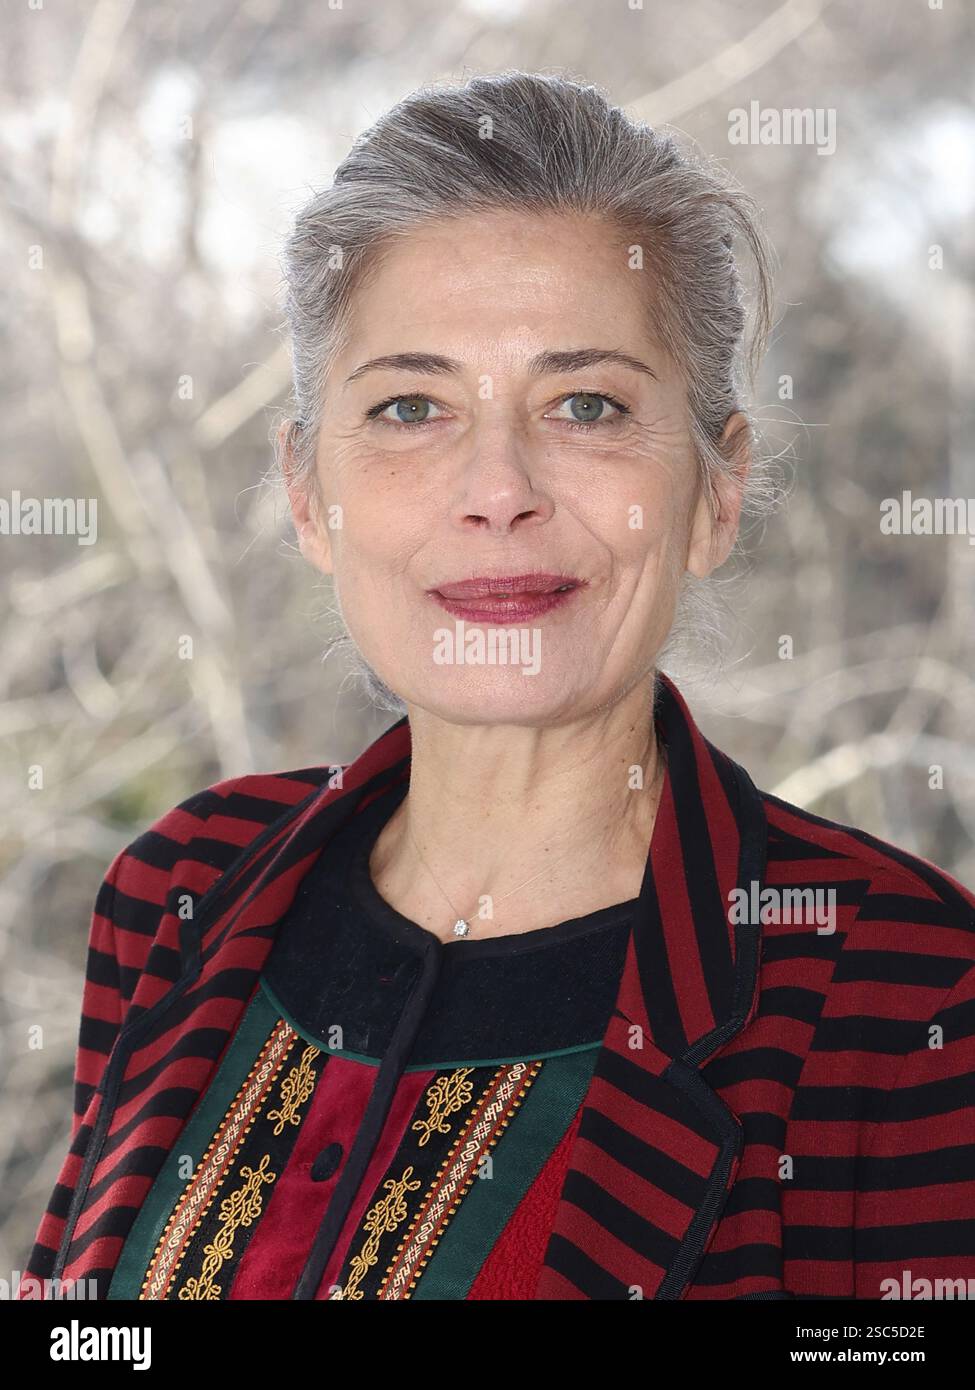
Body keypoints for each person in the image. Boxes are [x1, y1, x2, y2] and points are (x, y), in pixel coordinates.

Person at [20, 70, 975, 1302]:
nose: (498, 487)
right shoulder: (180, 892)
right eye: (411, 406)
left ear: (717, 489)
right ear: (311, 493)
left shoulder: (907, 995)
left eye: (587, 405)